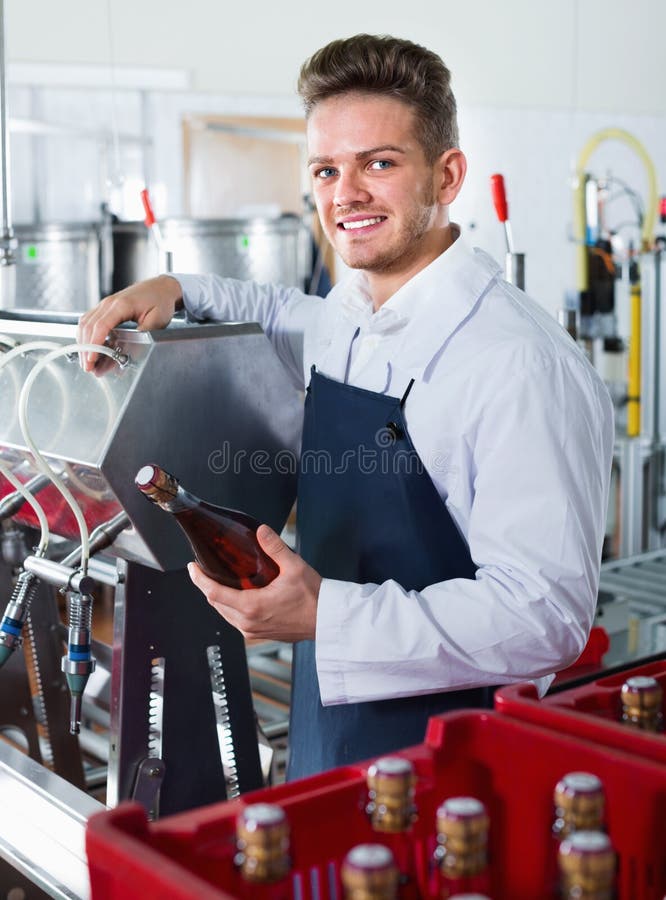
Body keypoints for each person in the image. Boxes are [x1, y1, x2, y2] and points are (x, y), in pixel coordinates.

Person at [78, 34, 614, 780]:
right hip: (331, 731)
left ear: (448, 173)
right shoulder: (349, 314)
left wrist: (328, 616)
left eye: (380, 164)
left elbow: (546, 620)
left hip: (458, 767)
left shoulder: (517, 363)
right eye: (328, 169)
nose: (346, 194)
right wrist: (174, 289)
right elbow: (270, 309)